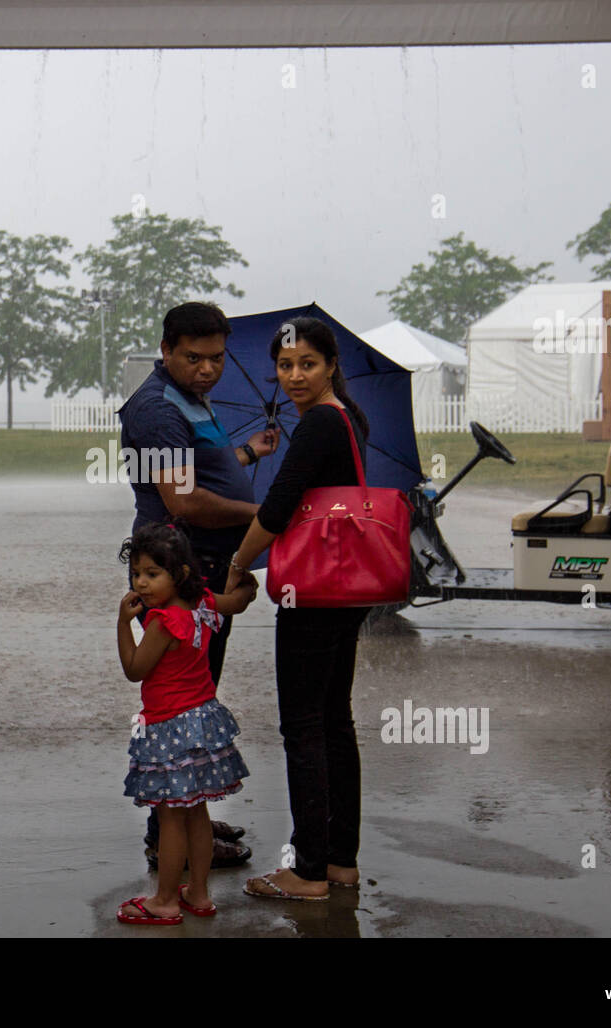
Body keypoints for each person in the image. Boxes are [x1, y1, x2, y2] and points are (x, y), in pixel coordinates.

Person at [117, 302, 278, 868]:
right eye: (193, 357)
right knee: (178, 705)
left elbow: (200, 469)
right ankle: (170, 838)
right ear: (165, 351)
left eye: (216, 358)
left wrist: (247, 453)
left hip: (207, 564)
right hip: (179, 574)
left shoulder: (191, 400)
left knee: (197, 699)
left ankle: (187, 817)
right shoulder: (157, 410)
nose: (208, 369)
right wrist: (263, 513)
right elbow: (181, 500)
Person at [223, 317, 371, 901]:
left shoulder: (318, 425)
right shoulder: (350, 420)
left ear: (331, 364)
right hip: (348, 590)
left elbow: (278, 510)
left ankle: (307, 871)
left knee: (304, 727)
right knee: (335, 722)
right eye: (285, 366)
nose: (294, 376)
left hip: (312, 593)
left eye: (307, 363)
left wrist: (238, 563)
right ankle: (340, 862)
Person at [115, 523, 257, 925]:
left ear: (177, 574)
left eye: (152, 574)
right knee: (197, 813)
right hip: (203, 720)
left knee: (170, 816)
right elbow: (238, 602)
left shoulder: (162, 622)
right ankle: (198, 892)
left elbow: (134, 669)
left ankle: (164, 900)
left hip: (168, 728)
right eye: (136, 574)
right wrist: (245, 583)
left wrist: (123, 624)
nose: (141, 584)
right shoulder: (204, 603)